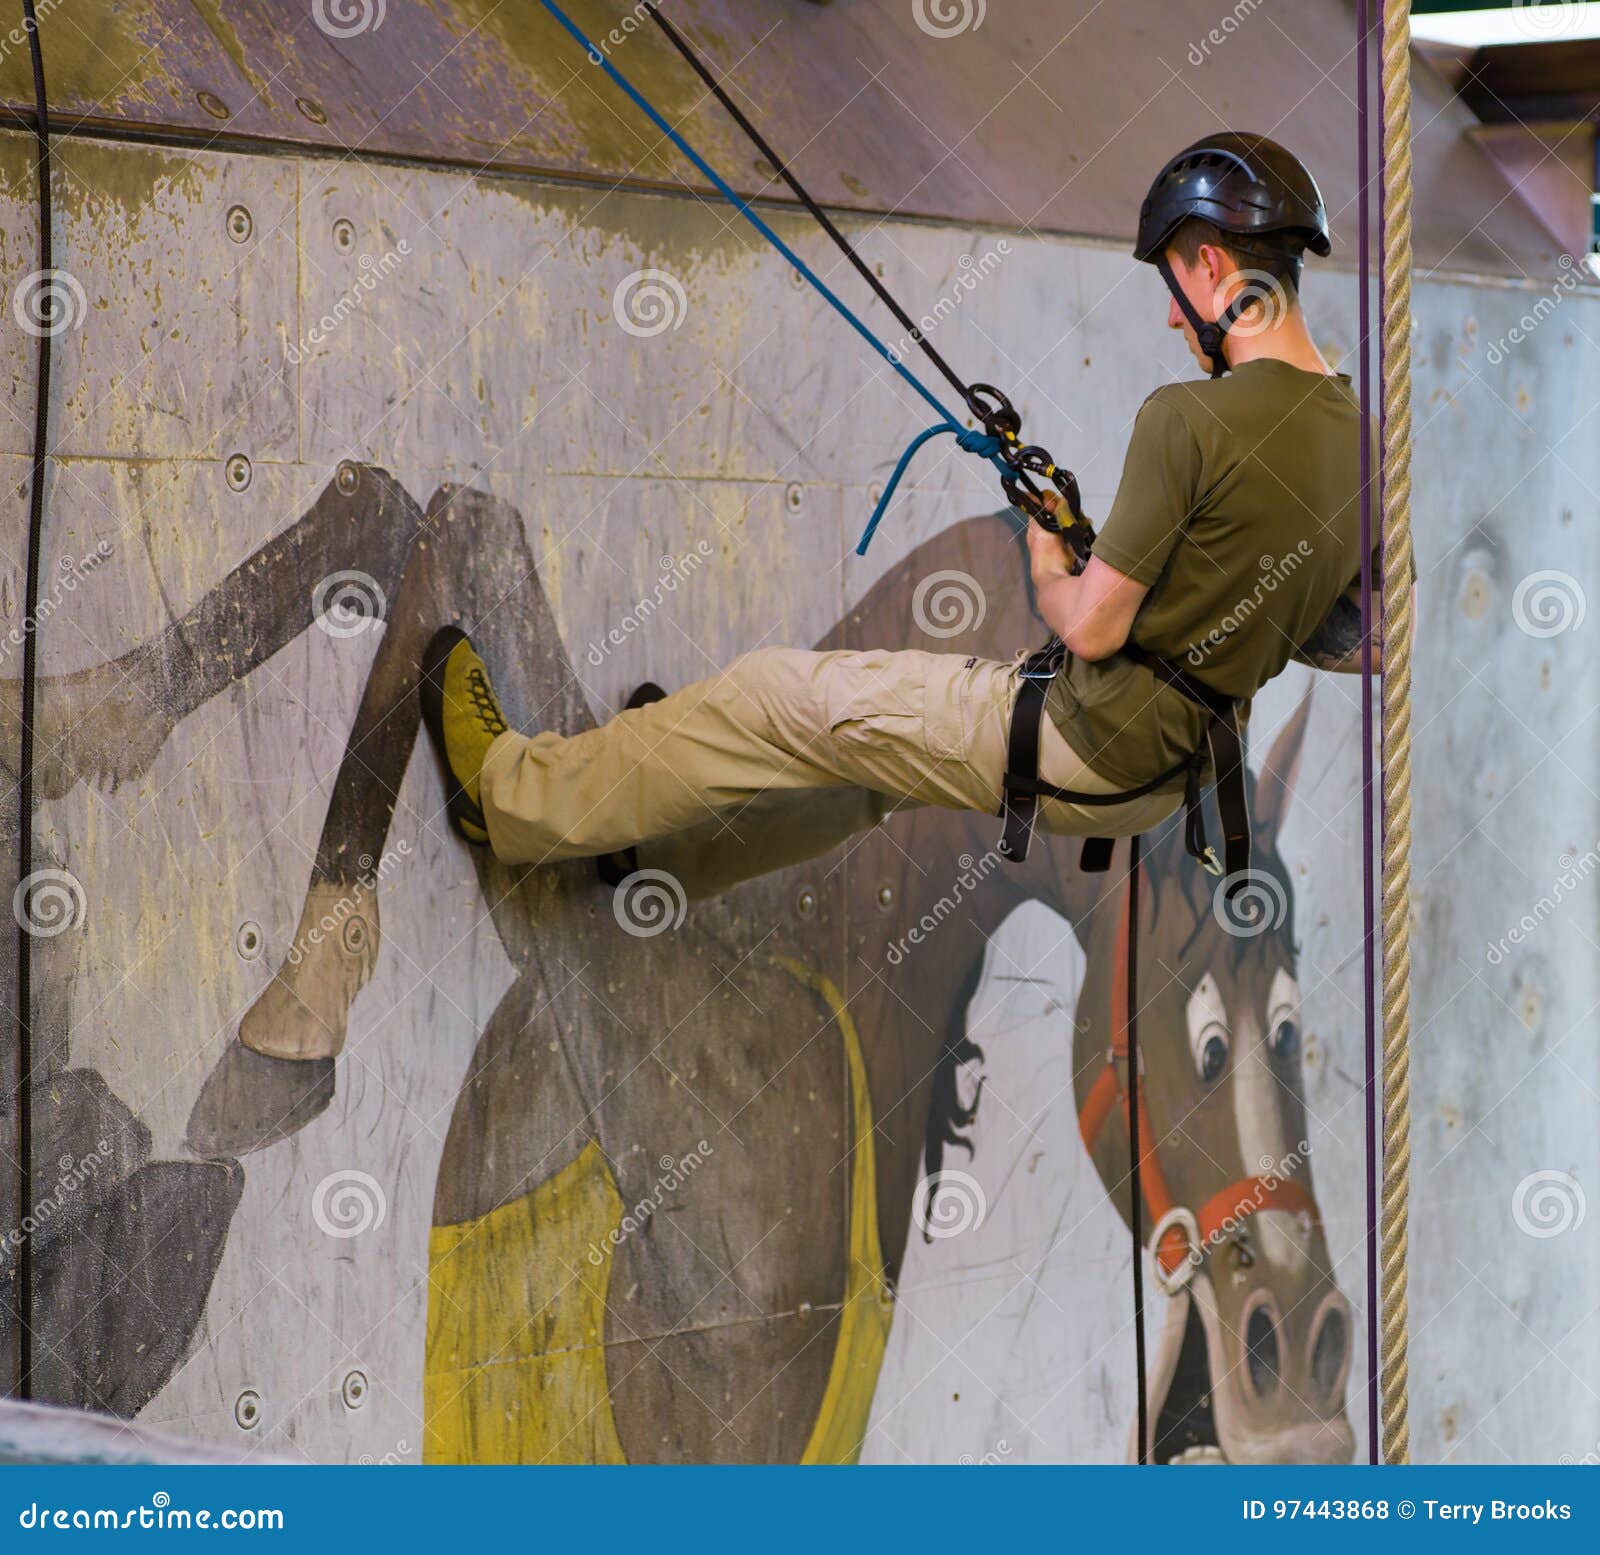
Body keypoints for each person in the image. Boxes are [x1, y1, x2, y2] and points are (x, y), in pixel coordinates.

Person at [418, 133, 1376, 887]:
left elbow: (1088, 628)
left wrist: (1050, 554)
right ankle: (652, 848)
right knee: (876, 761)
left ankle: (509, 801)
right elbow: (1350, 639)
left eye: (1173, 282)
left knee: (771, 697)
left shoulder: (1188, 419)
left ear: (1211, 267)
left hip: (1084, 741)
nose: (1173, 315)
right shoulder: (1362, 443)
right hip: (1166, 782)